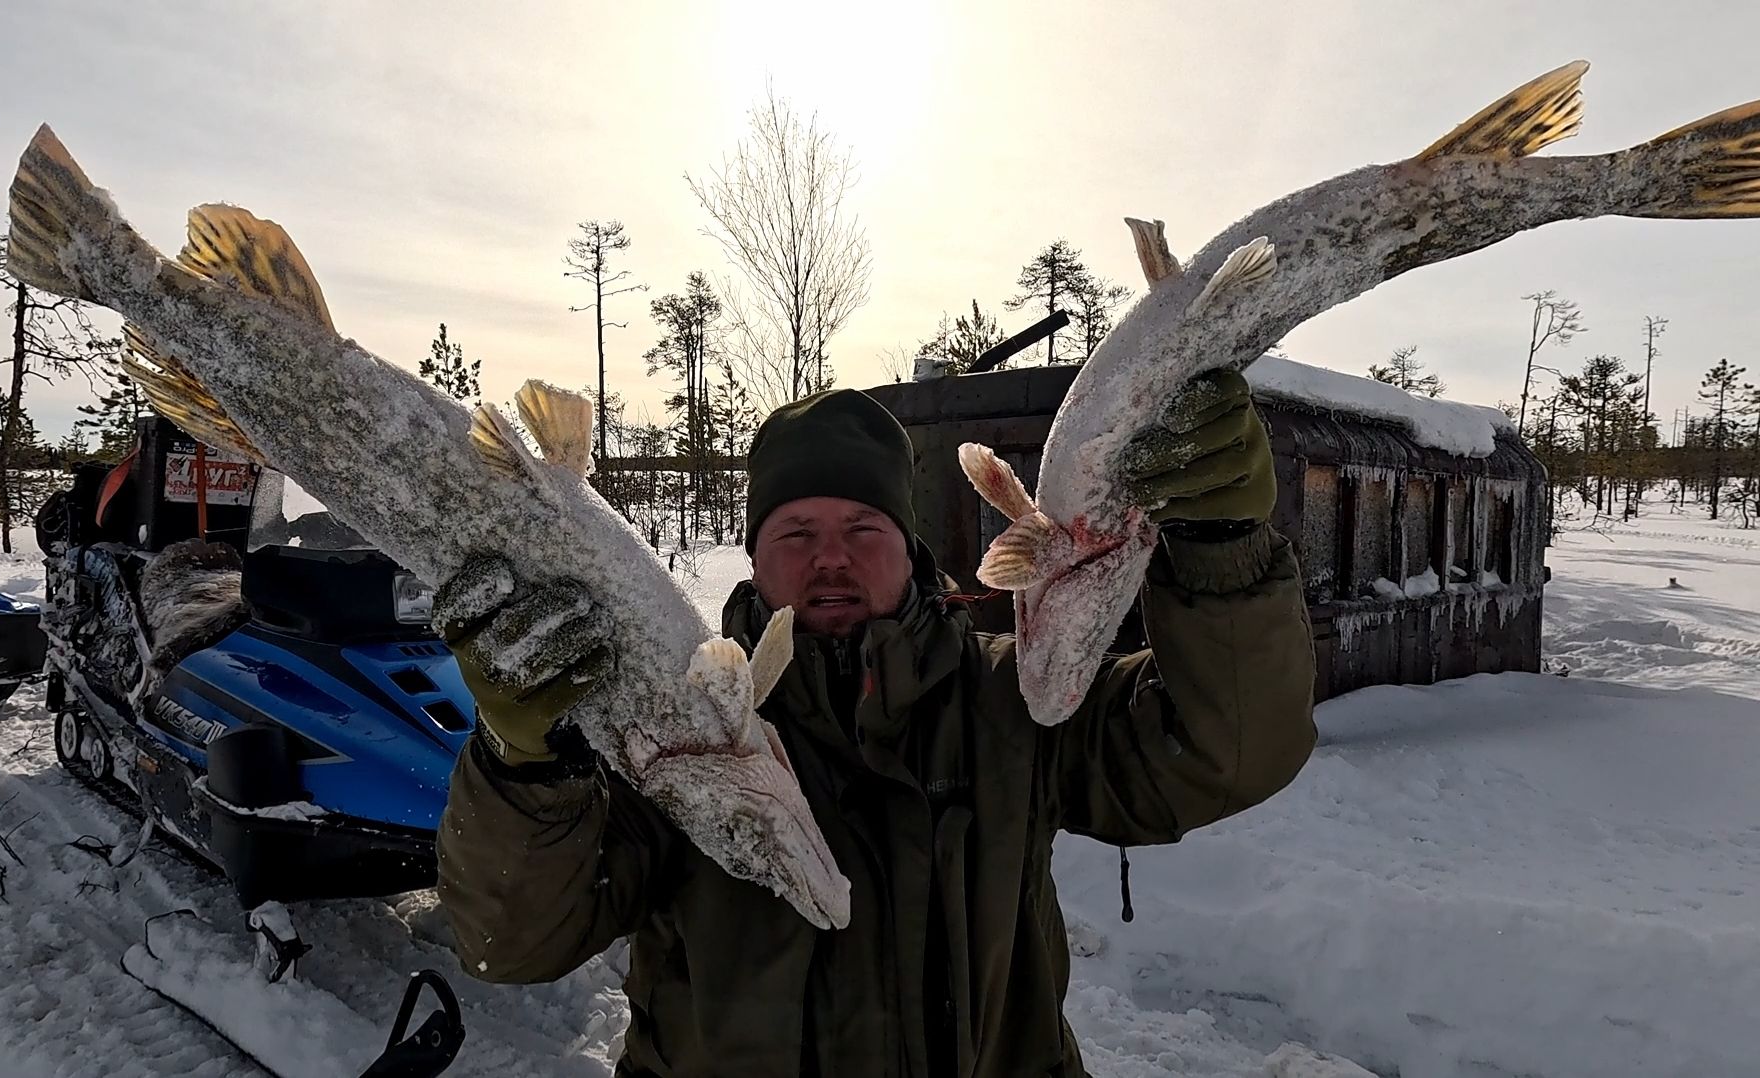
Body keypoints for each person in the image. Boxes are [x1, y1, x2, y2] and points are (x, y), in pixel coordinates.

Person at [432, 372, 1317, 1077]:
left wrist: (1222, 550)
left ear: (910, 544)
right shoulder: (671, 724)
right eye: (796, 531)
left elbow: (1222, 750)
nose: (830, 557)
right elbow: (513, 940)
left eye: (863, 526)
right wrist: (520, 763)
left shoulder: (1019, 700)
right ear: (752, 557)